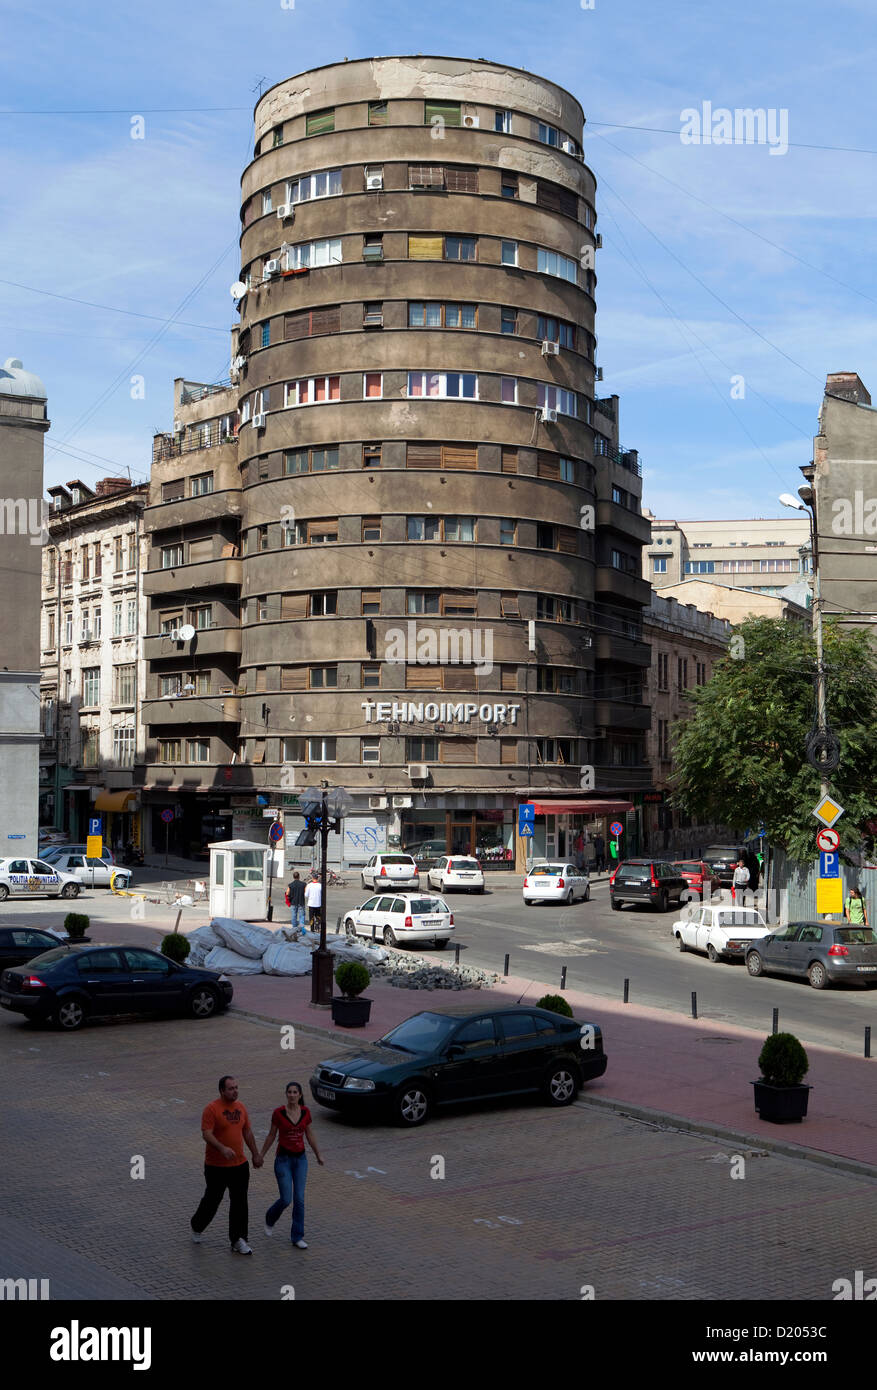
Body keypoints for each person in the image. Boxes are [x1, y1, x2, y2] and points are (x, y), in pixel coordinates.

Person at [190, 1075, 263, 1255]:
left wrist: (255, 1154)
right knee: (213, 1199)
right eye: (230, 1088)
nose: (235, 1091)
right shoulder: (212, 1109)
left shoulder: (241, 1107)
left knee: (240, 1202)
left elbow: (247, 1132)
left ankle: (238, 1239)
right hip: (216, 1166)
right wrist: (222, 1149)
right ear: (222, 1091)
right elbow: (206, 1134)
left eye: (236, 1087)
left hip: (239, 1165)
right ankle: (197, 1225)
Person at [260, 1081, 324, 1248]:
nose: (292, 1095)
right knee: (286, 1198)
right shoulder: (278, 1113)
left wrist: (318, 1155)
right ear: (286, 1094)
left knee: (300, 1199)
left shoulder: (305, 1112)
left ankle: (297, 1237)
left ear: (300, 1095)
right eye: (289, 1092)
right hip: (283, 1160)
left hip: (300, 1160)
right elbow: (271, 1136)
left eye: (295, 1092)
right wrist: (260, 1155)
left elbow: (309, 1134)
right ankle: (270, 1218)